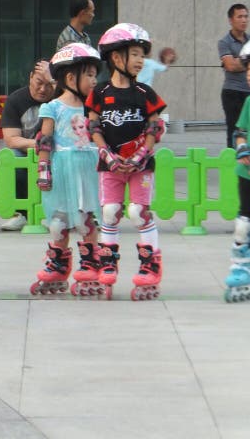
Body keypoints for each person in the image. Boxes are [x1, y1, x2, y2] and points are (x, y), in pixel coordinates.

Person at [86, 23, 167, 301]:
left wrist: (140, 156)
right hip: (110, 164)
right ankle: (108, 260)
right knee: (109, 212)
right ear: (116, 57)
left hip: (140, 165)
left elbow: (156, 128)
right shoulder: (99, 93)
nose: (141, 60)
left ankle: (150, 265)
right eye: (135, 54)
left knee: (137, 212)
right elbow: (93, 126)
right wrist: (106, 154)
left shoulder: (144, 93)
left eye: (142, 55)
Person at [31, 44, 103, 297]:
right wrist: (43, 170)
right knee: (58, 222)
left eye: (96, 75)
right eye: (89, 75)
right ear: (71, 78)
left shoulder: (94, 107)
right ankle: (59, 266)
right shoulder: (52, 107)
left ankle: (91, 263)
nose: (95, 81)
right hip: (62, 168)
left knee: (86, 220)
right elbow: (45, 140)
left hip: (87, 168)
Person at [0, 60, 55, 230]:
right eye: (39, 82)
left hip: (59, 152)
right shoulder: (16, 100)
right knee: (12, 158)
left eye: (49, 84)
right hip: (27, 151)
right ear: (30, 77)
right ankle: (21, 214)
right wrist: (41, 145)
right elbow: (11, 139)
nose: (43, 89)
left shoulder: (63, 97)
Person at [224, 41, 250, 303]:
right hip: (247, 174)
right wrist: (242, 149)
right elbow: (239, 132)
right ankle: (241, 268)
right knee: (244, 224)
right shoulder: (249, 102)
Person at [219, 4, 250, 147]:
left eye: (246, 16)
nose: (244, 20)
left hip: (248, 92)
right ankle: (231, 163)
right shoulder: (224, 42)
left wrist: (239, 60)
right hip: (233, 93)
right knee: (234, 129)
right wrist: (246, 59)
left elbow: (235, 64)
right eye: (240, 17)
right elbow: (230, 65)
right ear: (231, 20)